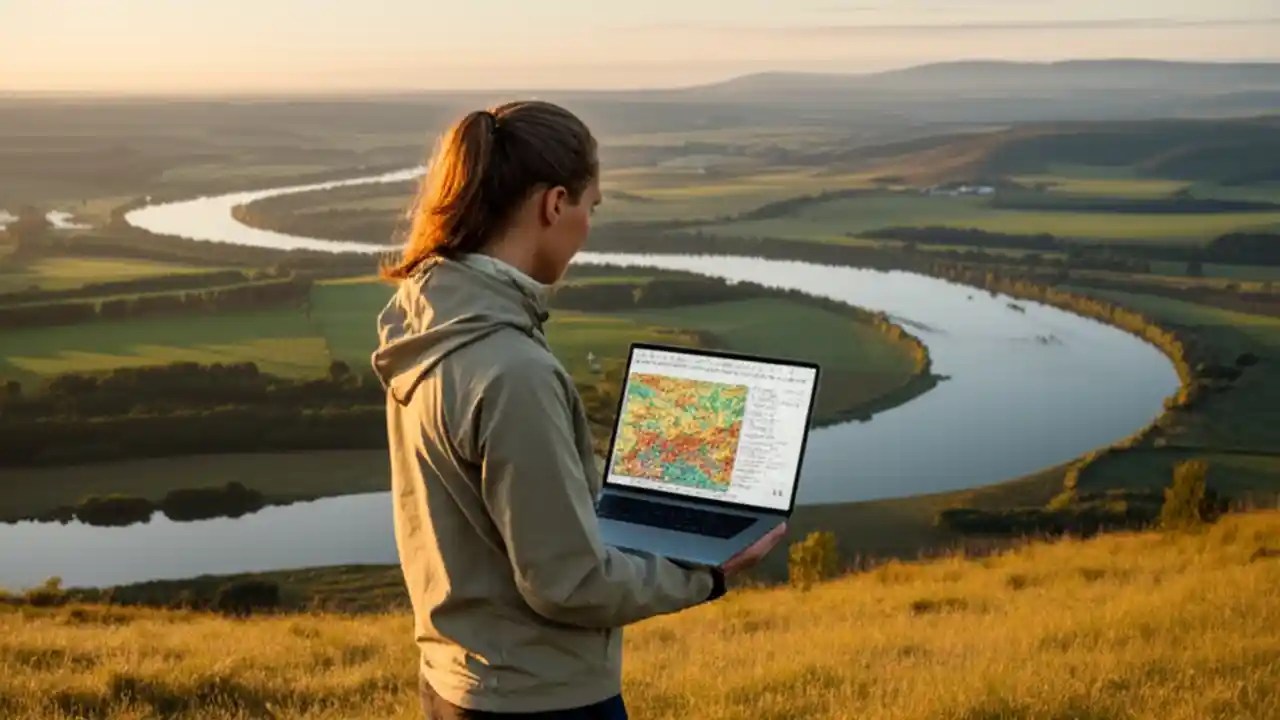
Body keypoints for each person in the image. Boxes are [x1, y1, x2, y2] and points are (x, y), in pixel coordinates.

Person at [372, 100, 788, 719]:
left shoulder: (430, 323)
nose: (588, 227)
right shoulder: (514, 369)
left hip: (455, 680)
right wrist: (709, 573)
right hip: (541, 700)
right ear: (553, 204)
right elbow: (568, 582)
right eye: (591, 208)